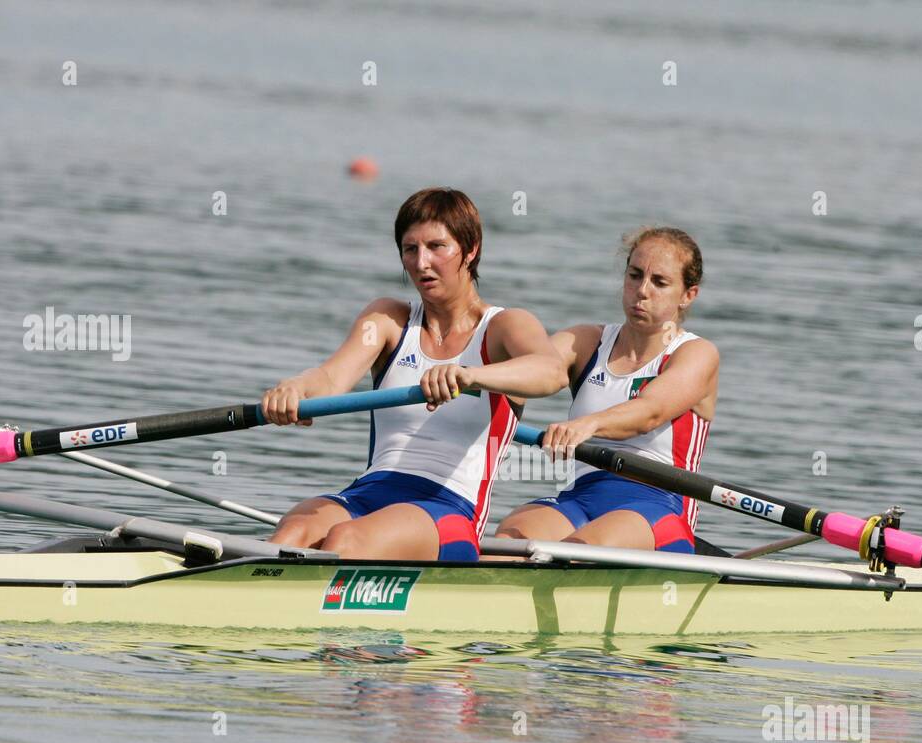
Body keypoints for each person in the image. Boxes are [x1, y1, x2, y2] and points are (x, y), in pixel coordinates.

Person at [261, 188, 565, 560]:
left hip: (447, 509)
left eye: (437, 247)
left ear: (470, 250)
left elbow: (551, 373)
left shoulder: (504, 327)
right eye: (410, 249)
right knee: (292, 533)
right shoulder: (389, 319)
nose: (421, 263)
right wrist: (295, 387)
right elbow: (328, 380)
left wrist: (471, 376)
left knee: (347, 540)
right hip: (368, 492)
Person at [495, 227, 717, 554]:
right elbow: (538, 368)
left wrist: (590, 424)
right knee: (506, 545)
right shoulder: (586, 341)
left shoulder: (696, 354)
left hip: (658, 508)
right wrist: (470, 378)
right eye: (635, 275)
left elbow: (650, 411)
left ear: (688, 295)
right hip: (579, 498)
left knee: (577, 552)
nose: (642, 291)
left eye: (660, 282)